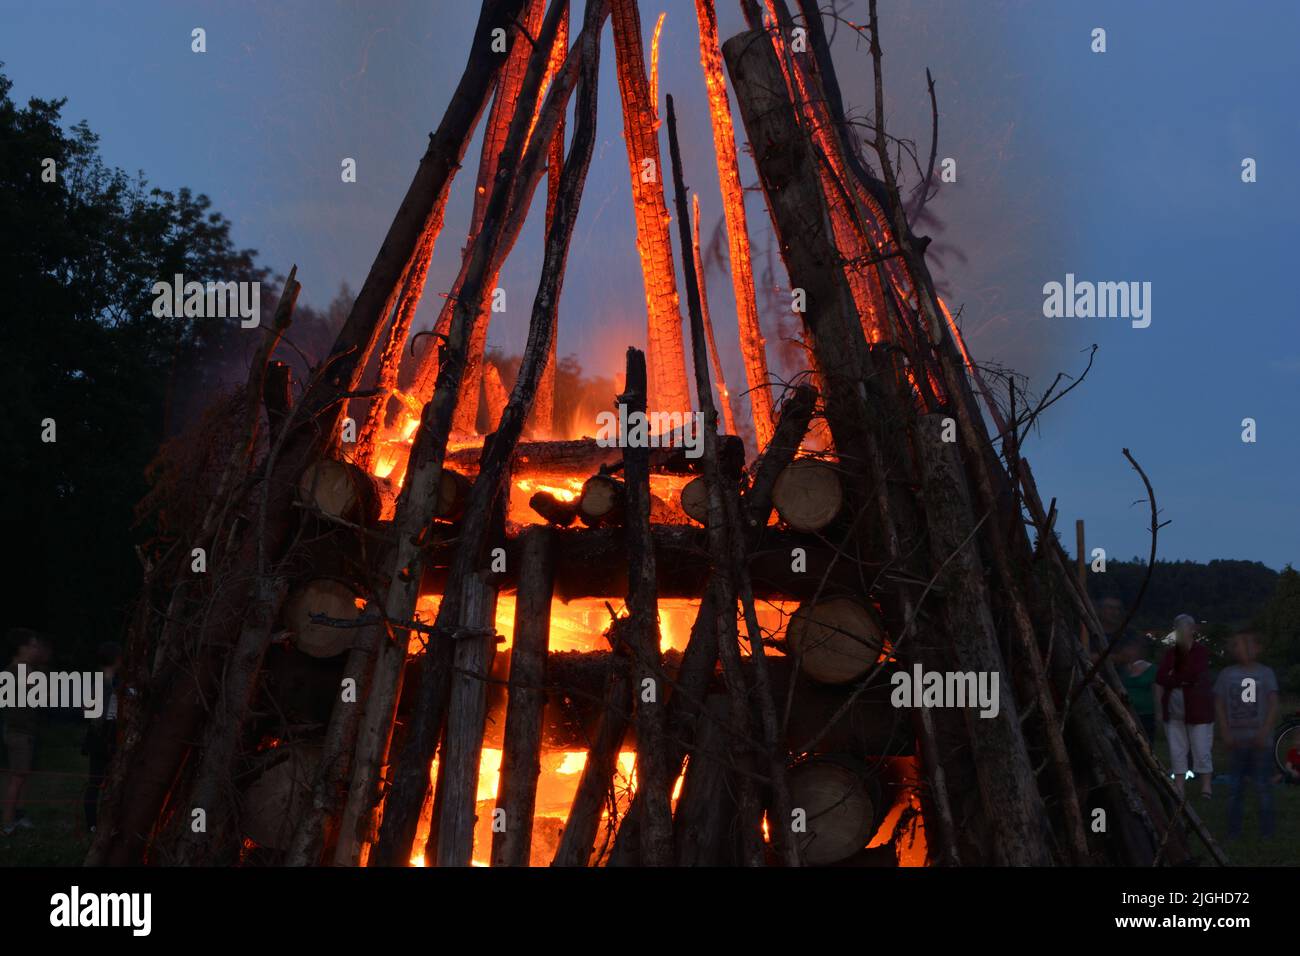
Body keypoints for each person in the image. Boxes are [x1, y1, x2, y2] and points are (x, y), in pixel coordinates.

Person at [1213, 631, 1278, 839]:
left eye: (1246, 644)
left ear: (1256, 648)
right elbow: (1219, 703)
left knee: (1262, 788)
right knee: (1235, 788)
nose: (1242, 648)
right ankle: (1233, 832)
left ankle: (1267, 832)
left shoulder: (1266, 673)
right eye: (1238, 645)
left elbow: (1273, 704)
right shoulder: (1226, 674)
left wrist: (1264, 731)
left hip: (1260, 742)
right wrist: (1224, 731)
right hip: (1236, 740)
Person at [1155, 614, 1215, 799]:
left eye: (1184, 628)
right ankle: (1179, 786)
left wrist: (1174, 677)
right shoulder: (1170, 654)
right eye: (1178, 628)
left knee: (1201, 748)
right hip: (1174, 712)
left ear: (1192, 630)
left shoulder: (1200, 652)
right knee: (1177, 749)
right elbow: (1160, 678)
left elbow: (1194, 673)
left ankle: (1206, 786)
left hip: (1198, 710)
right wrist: (1178, 678)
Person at [2, 628, 53, 836]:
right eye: (33, 645)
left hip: (25, 732)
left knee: (22, 777)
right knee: (17, 778)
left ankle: (18, 815)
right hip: (18, 733)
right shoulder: (16, 672)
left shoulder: (27, 670)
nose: (36, 649)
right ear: (21, 648)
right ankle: (6, 824)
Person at [83, 641, 122, 833]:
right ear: (116, 659)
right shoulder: (101, 682)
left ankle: (103, 821)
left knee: (107, 779)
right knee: (96, 780)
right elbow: (87, 707)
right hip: (102, 734)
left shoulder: (116, 682)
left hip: (112, 732)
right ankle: (92, 823)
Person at [1114, 635, 1157, 740]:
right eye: (1128, 648)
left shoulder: (1152, 669)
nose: (1130, 651)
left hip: (1146, 715)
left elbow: (1157, 693)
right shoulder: (1120, 669)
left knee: (1146, 741)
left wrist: (1159, 714)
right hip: (1126, 713)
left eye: (1133, 648)